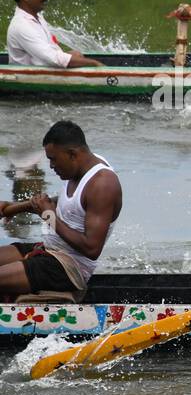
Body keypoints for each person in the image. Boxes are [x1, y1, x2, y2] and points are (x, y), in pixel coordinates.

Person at [0, 121, 122, 299]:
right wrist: (13, 208)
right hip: (49, 250)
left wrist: (49, 216)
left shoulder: (103, 184)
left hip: (67, 268)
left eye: (53, 159)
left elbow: (91, 248)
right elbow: (69, 204)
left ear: (72, 154)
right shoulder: (82, 164)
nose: (50, 166)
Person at [5, 0, 103, 68]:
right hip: (31, 78)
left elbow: (52, 51)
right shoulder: (21, 26)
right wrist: (94, 63)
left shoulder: (38, 17)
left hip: (43, 70)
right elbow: (52, 59)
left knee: (76, 54)